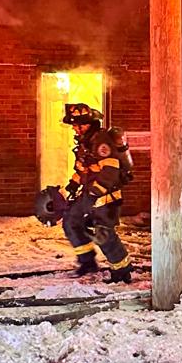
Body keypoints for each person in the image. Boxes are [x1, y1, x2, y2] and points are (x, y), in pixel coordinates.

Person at [60, 102, 135, 283]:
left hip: (105, 195)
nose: (76, 128)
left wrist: (97, 191)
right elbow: (83, 169)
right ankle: (87, 262)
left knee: (103, 232)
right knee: (71, 221)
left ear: (90, 123)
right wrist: (72, 184)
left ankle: (122, 270)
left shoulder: (101, 141)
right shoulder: (85, 141)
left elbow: (110, 170)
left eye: (80, 124)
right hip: (89, 192)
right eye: (75, 125)